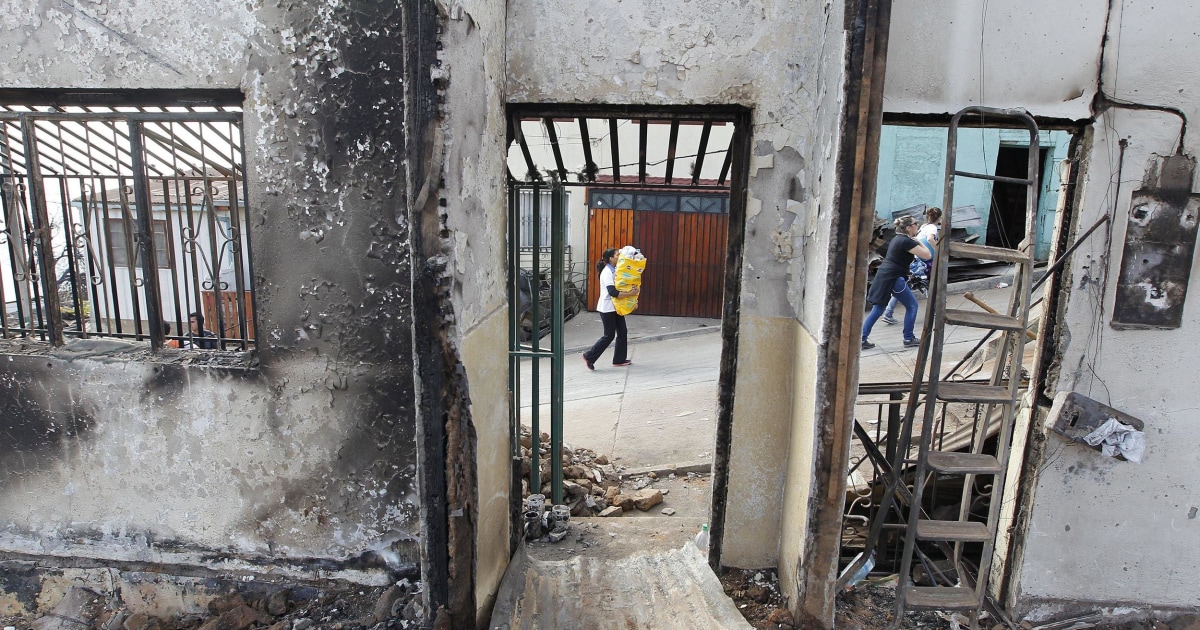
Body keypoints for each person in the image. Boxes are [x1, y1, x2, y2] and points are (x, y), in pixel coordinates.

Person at [863, 216, 931, 350]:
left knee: (878, 309)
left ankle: (862, 338)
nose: (917, 225)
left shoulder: (897, 238)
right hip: (894, 278)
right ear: (908, 228)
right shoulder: (907, 241)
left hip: (885, 276)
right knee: (912, 306)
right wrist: (918, 241)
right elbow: (927, 255)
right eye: (915, 223)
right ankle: (909, 338)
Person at [582, 248, 640, 369]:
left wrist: (632, 301)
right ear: (611, 259)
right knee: (609, 335)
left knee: (622, 332)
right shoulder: (607, 272)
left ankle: (619, 359)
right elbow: (613, 292)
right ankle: (589, 356)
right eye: (617, 255)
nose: (619, 256)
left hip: (616, 307)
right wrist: (630, 294)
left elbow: (622, 287)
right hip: (607, 308)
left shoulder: (617, 270)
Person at [882, 207, 941, 324]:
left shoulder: (924, 227)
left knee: (906, 286)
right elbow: (930, 239)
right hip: (924, 261)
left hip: (916, 260)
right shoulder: (932, 227)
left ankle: (888, 312)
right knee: (930, 284)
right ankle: (934, 311)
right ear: (939, 218)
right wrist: (938, 249)